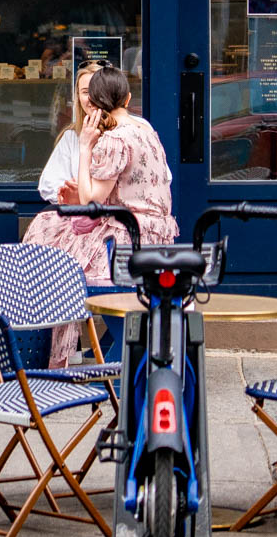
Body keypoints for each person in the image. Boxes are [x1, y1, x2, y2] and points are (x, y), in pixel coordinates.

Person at [23, 65, 177, 367]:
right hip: (157, 235)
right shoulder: (148, 132)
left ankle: (39, 337)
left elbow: (93, 200)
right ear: (128, 97)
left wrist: (84, 147)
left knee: (45, 230)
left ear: (92, 102)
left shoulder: (114, 139)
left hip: (124, 240)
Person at [37, 61, 102, 205]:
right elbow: (48, 183)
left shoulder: (133, 129)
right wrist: (69, 193)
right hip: (79, 217)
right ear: (78, 97)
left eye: (97, 90)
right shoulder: (72, 136)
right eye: (85, 92)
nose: (91, 97)